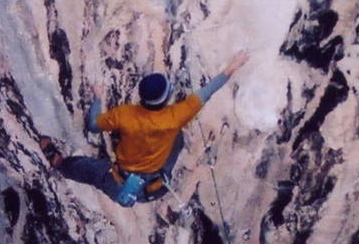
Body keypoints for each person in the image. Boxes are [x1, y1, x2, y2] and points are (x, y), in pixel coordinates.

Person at [42, 51, 248, 207]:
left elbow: (93, 125)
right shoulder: (176, 116)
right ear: (166, 98)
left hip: (121, 185)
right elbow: (208, 91)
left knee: (85, 168)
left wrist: (97, 97)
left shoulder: (125, 114)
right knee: (176, 136)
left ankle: (59, 164)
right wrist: (233, 66)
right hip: (156, 188)